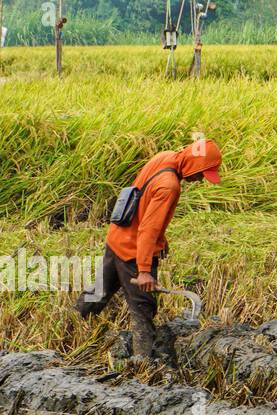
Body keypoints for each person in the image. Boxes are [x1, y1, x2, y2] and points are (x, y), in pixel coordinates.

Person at [75, 139, 223, 358]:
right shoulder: (169, 186)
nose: (200, 180)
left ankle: (74, 324)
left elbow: (143, 204)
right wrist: (143, 270)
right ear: (193, 165)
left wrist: (161, 241)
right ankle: (142, 361)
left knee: (98, 291)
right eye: (201, 174)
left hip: (117, 237)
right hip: (133, 252)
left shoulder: (164, 157)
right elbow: (148, 229)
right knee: (142, 308)